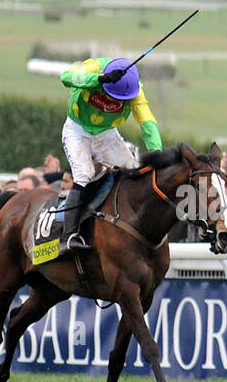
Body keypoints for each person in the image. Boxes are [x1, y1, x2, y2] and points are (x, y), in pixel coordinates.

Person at [58, 56, 162, 252]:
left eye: (120, 100)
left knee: (133, 171)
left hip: (106, 133)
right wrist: (99, 80)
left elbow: (147, 122)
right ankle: (69, 236)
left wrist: (157, 153)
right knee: (84, 174)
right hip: (77, 130)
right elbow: (66, 77)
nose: (114, 102)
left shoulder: (135, 90)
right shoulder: (95, 67)